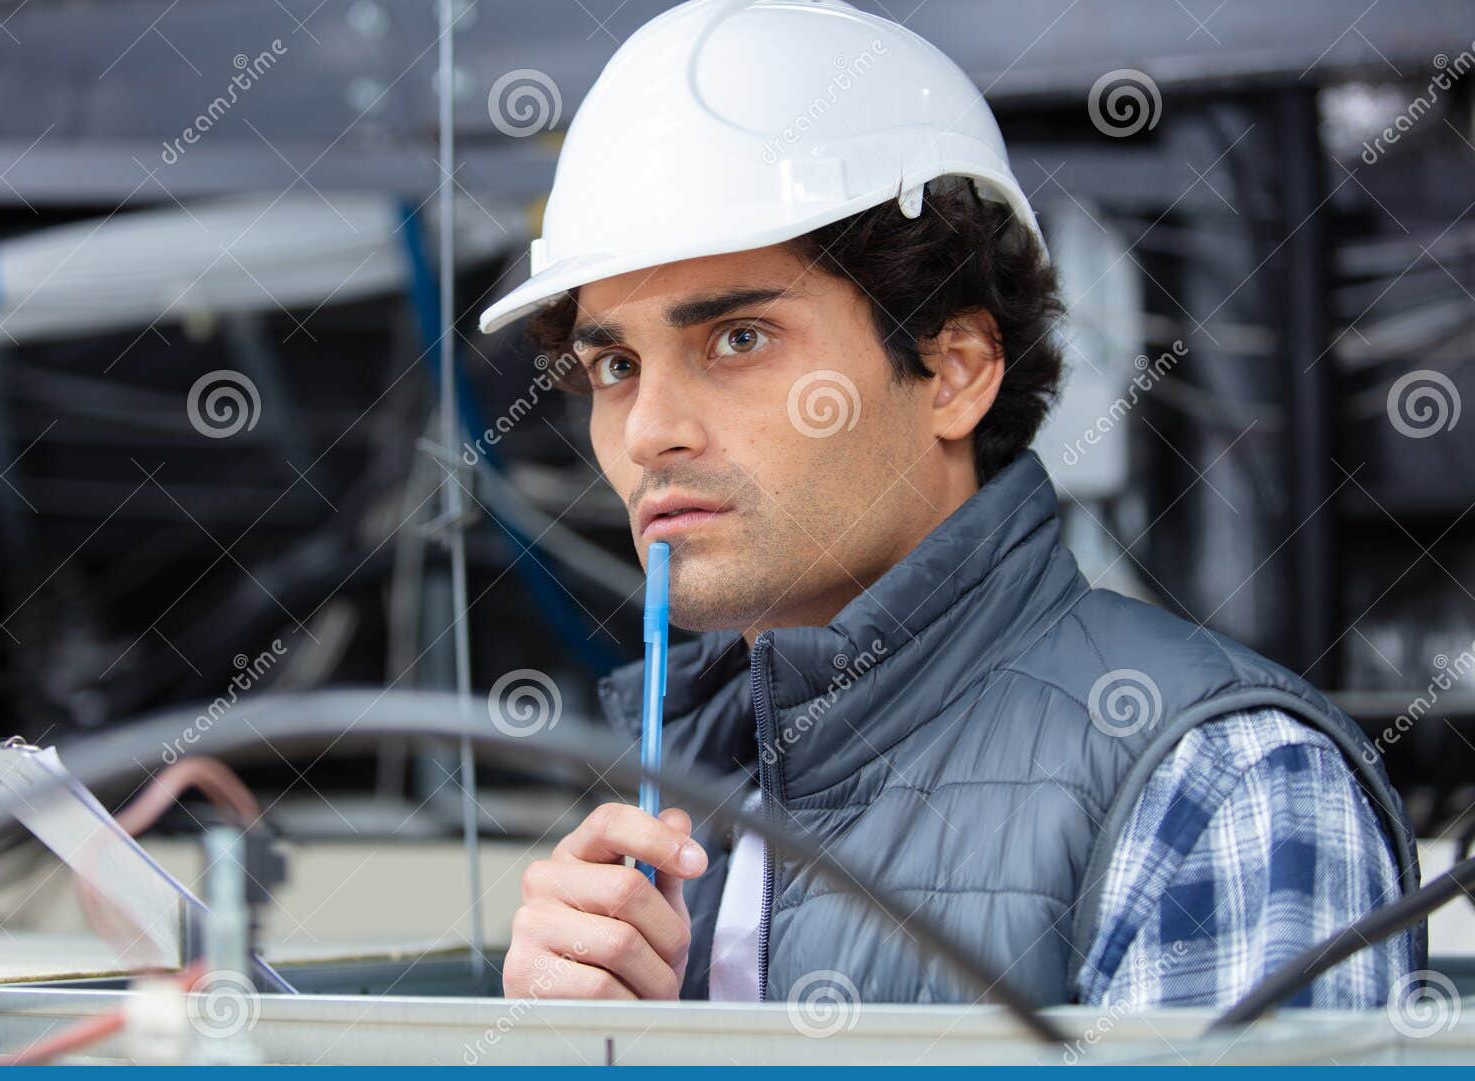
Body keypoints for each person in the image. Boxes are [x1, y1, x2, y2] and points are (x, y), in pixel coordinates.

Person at [477, 0, 1421, 1009]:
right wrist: (575, 1071)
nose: (647, 432)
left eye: (739, 339)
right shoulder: (675, 789)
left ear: (956, 369)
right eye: (615, 365)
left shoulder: (1218, 785)